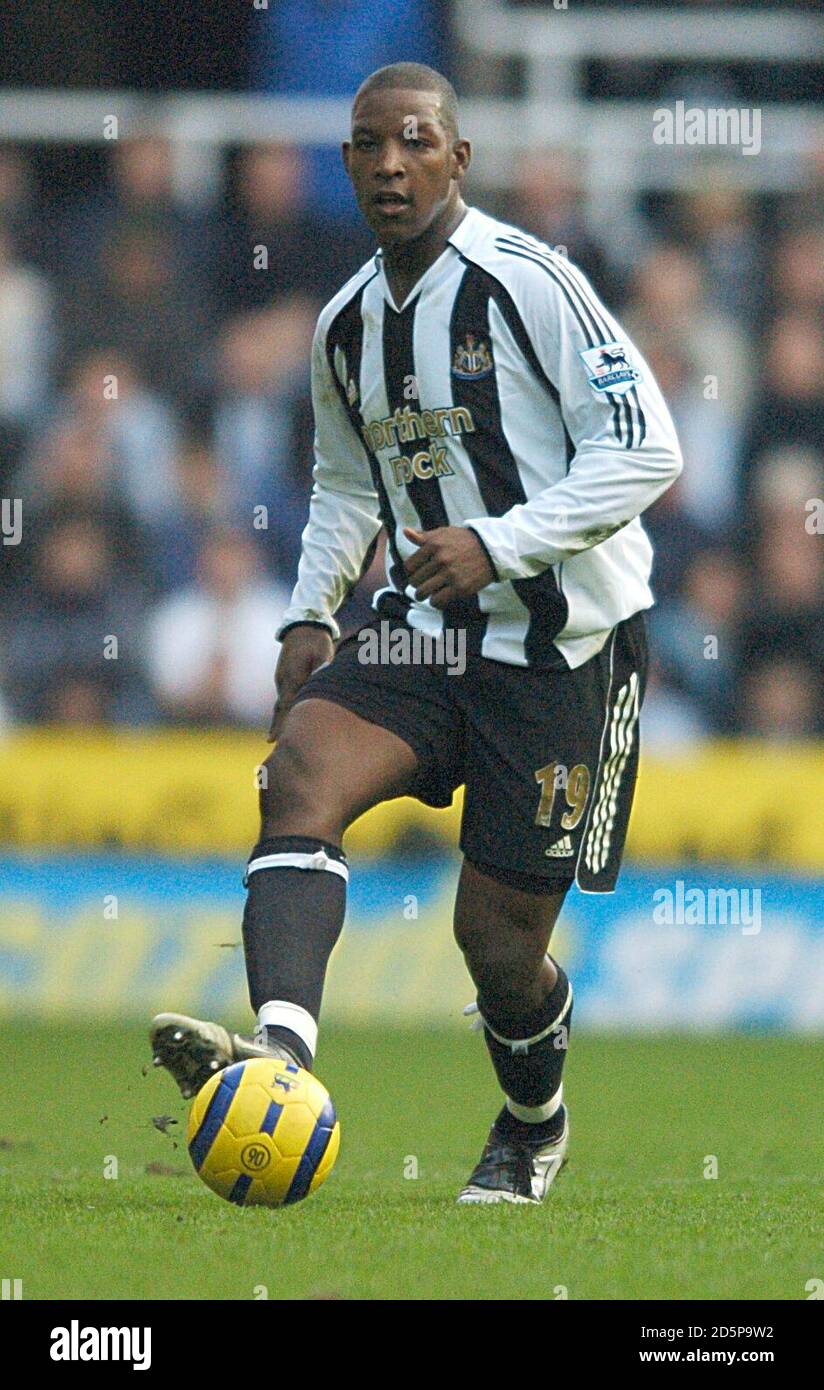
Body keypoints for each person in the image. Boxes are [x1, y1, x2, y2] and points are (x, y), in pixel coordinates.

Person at [151, 63, 682, 1205]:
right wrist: (306, 609)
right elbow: (345, 484)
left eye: (414, 142)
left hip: (564, 651)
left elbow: (647, 449)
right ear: (344, 162)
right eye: (367, 145)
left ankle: (531, 1122)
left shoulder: (529, 283)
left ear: (457, 159)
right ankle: (281, 1058)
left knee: (494, 950)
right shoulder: (343, 325)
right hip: (428, 638)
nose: (390, 164)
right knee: (298, 775)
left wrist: (501, 543)